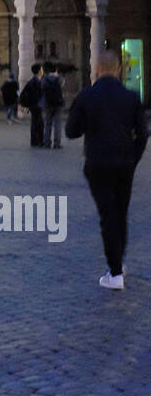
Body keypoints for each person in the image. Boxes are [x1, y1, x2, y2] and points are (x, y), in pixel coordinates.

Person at [65, 50, 148, 290]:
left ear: (97, 69)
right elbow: (143, 133)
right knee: (120, 212)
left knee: (108, 216)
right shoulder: (131, 97)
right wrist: (134, 157)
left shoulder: (87, 96)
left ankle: (115, 273)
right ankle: (118, 264)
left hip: (98, 164)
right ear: (119, 70)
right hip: (125, 164)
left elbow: (71, 131)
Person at [19, 64, 45, 148]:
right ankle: (37, 141)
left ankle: (37, 141)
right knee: (37, 123)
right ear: (39, 71)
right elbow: (28, 94)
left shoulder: (36, 81)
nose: (42, 71)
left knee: (37, 123)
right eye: (41, 69)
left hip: (36, 105)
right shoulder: (34, 81)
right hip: (35, 105)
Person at [41, 62, 64, 149]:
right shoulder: (59, 78)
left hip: (48, 103)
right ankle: (57, 143)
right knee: (57, 124)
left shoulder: (45, 79)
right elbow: (62, 86)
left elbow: (42, 88)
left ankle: (47, 142)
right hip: (58, 103)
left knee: (47, 123)